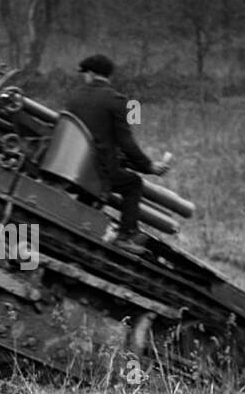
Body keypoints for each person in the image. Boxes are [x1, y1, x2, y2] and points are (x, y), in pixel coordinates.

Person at [64, 53, 170, 257]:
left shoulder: (74, 97)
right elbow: (126, 142)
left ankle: (82, 223)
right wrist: (148, 166)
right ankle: (125, 235)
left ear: (92, 74)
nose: (84, 77)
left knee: (89, 191)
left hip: (75, 164)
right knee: (133, 183)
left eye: (85, 74)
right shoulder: (116, 100)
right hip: (100, 169)